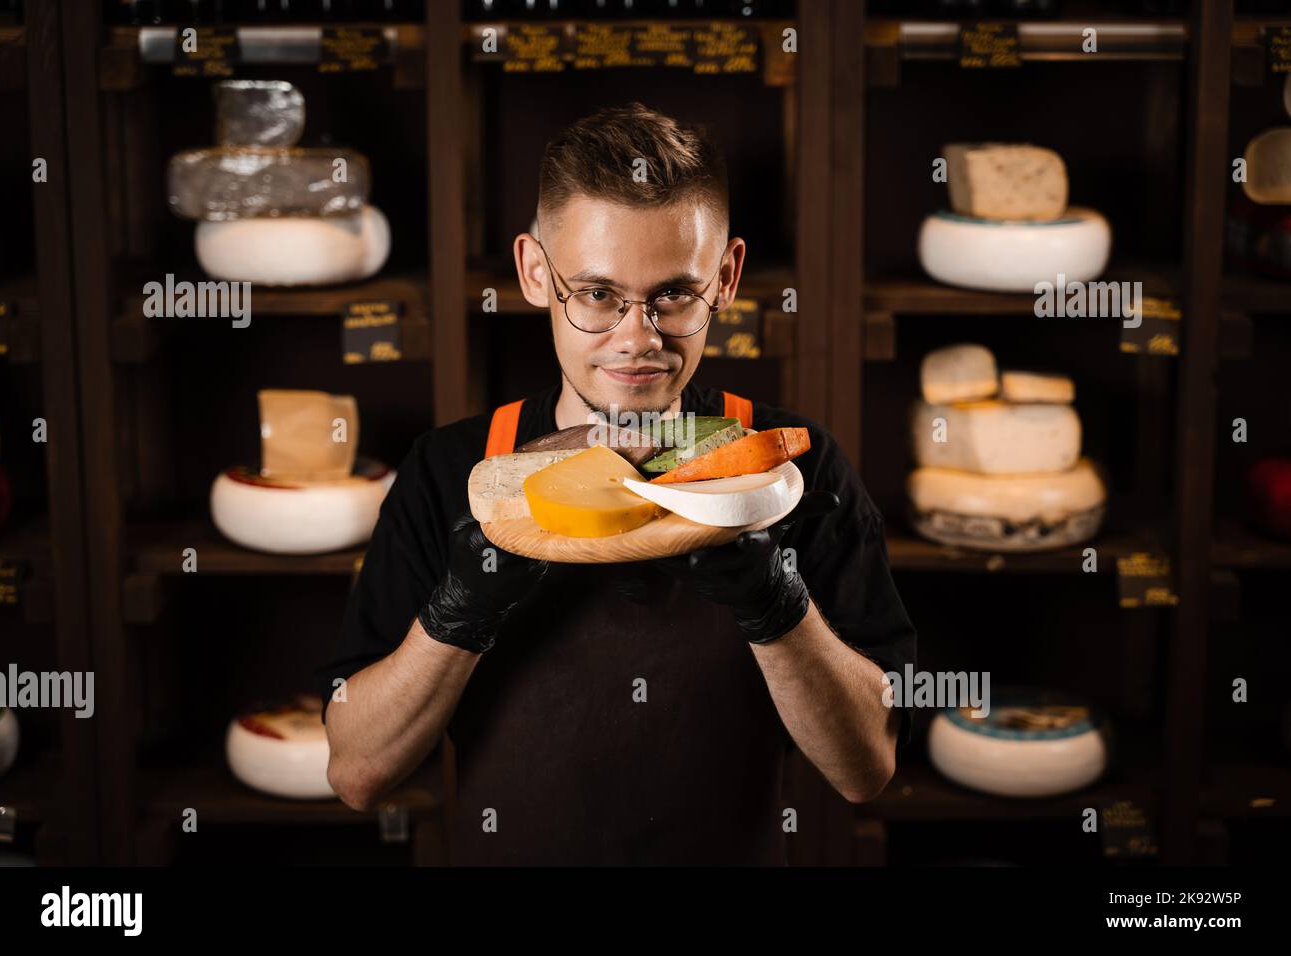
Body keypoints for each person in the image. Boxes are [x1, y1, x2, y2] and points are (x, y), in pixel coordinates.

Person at [317, 103, 916, 866]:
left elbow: (868, 770)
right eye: (598, 295)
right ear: (536, 273)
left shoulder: (795, 470)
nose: (638, 338)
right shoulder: (450, 470)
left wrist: (777, 605)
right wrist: (458, 613)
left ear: (725, 277)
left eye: (673, 294)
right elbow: (357, 773)